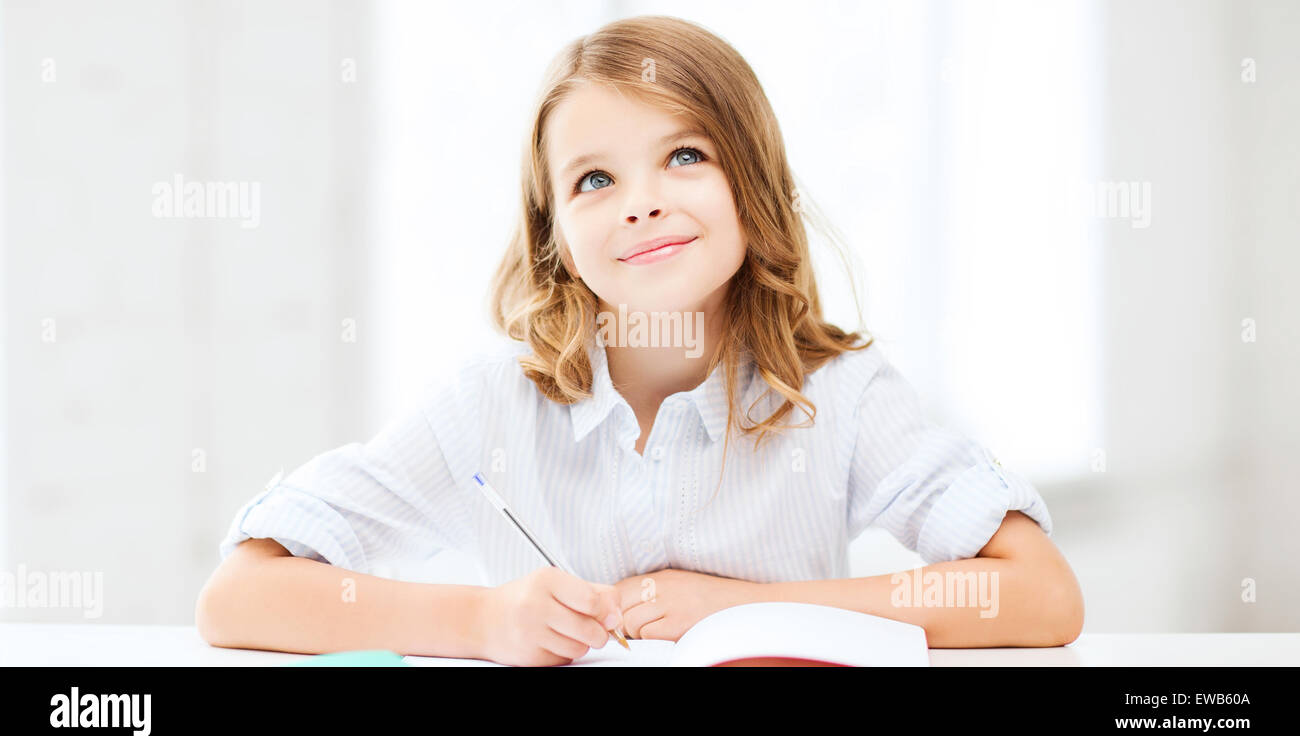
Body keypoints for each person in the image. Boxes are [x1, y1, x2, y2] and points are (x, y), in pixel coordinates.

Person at [196, 15, 1083, 667]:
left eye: (685, 156)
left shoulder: (838, 391)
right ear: (556, 239)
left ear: (754, 180)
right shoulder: (489, 404)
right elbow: (240, 596)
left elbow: (1041, 594)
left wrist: (745, 609)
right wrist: (479, 621)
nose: (642, 201)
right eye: (594, 178)